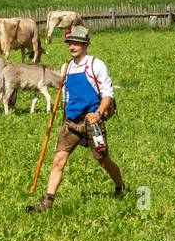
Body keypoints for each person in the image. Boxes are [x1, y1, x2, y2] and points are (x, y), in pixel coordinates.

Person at [27, 25, 124, 212]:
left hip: (92, 121)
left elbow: (107, 94)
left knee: (103, 160)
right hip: (71, 122)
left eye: (76, 43)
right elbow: (65, 95)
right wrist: (63, 115)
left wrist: (98, 114)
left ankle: (120, 187)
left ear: (85, 44)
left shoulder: (95, 64)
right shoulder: (67, 67)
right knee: (58, 160)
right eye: (70, 43)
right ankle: (47, 203)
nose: (72, 47)